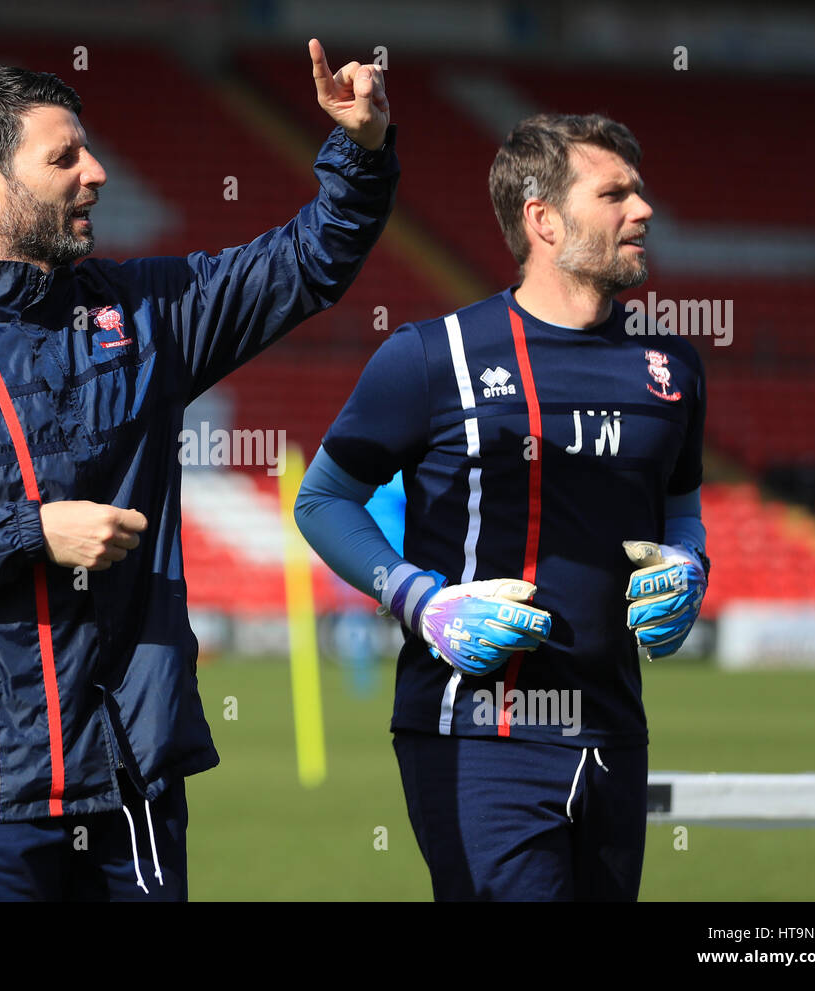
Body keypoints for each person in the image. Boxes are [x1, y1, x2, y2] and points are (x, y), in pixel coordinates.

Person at [0, 41, 395, 901]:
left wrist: (361, 150)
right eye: (64, 157)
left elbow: (307, 264)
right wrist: (32, 532)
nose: (97, 171)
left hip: (134, 781)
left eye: (87, 149)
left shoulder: (145, 312)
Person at [294, 113, 708, 901]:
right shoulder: (431, 357)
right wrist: (423, 600)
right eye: (615, 192)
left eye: (641, 191)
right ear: (543, 219)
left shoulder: (672, 366)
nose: (643, 210)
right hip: (480, 732)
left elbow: (680, 505)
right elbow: (323, 500)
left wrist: (690, 560)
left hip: (616, 730)